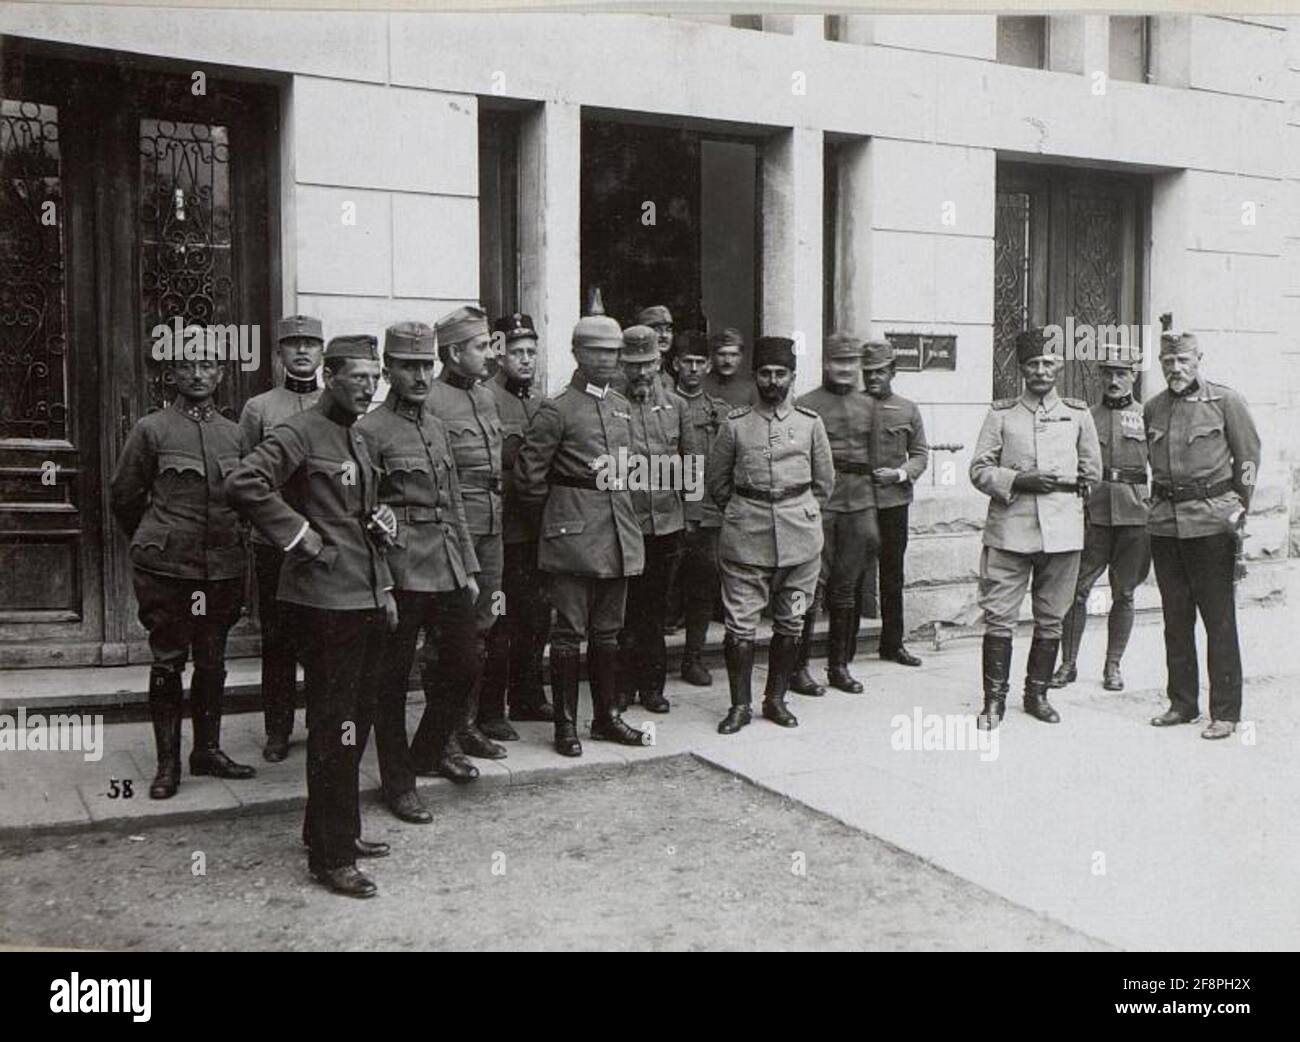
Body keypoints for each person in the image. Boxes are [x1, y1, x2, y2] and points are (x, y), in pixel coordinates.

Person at [227, 333, 398, 898]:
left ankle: (330, 830)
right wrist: (300, 538)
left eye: (375, 378)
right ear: (330, 377)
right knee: (334, 728)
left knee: (356, 720)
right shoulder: (299, 431)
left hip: (365, 597)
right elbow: (244, 483)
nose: (369, 387)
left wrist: (384, 536)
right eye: (358, 377)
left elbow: (362, 511)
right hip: (323, 604)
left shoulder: (360, 436)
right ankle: (332, 856)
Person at [110, 333, 256, 801]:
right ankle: (168, 763)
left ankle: (207, 751)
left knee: (212, 661)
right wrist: (156, 539)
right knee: (169, 662)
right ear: (171, 373)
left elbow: (247, 498)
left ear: (220, 374)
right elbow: (124, 496)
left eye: (208, 365)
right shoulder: (151, 429)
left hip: (223, 568)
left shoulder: (234, 434)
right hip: (169, 570)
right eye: (187, 365)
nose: (198, 374)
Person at [356, 322, 482, 822]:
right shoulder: (369, 430)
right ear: (388, 370)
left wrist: (469, 566)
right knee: (390, 681)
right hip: (401, 568)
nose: (421, 375)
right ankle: (398, 782)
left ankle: (428, 748)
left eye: (426, 365)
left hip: (448, 564)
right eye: (409, 366)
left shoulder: (435, 426)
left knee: (466, 662)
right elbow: (362, 512)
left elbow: (453, 503)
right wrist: (380, 578)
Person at [515, 312, 649, 756]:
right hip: (571, 537)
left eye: (614, 353)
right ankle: (565, 726)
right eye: (598, 351)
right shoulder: (557, 409)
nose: (608, 360)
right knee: (569, 635)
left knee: (609, 633)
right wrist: (554, 527)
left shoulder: (621, 407)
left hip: (617, 535)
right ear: (576, 352)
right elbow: (530, 479)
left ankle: (607, 718)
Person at [969, 328, 1102, 730]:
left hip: (1062, 532)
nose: (1041, 371)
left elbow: (1091, 472)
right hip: (1010, 528)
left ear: (1059, 366)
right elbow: (978, 469)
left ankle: (1037, 694)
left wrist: (1069, 492)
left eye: (1047, 363)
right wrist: (1017, 481)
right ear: (1022, 369)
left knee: (1051, 617)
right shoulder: (1001, 414)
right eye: (1033, 364)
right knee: (1000, 617)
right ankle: (994, 701)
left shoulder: (1079, 415)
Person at [707, 335, 834, 734]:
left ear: (792, 378)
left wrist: (800, 510)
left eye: (781, 374)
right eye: (765, 373)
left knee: (792, 621)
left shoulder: (810, 426)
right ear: (755, 376)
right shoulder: (735, 426)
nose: (773, 381)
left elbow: (824, 483)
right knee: (741, 624)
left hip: (800, 541)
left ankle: (775, 699)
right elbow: (717, 482)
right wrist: (745, 509)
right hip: (746, 536)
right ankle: (740, 705)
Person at [1145, 331, 1261, 740]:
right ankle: (1182, 702)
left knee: (1218, 620)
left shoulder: (1225, 402)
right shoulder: (1153, 408)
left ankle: (1226, 712)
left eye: (1183, 361)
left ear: (1199, 359)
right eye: (1168, 361)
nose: (1175, 369)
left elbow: (1248, 457)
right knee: (1175, 620)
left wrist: (1238, 506)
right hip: (1165, 525)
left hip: (1212, 524)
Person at [238, 314, 324, 762]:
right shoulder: (260, 408)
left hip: (325, 541)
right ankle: (277, 729)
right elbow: (248, 475)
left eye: (311, 343)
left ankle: (320, 722)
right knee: (277, 637)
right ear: (279, 354)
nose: (303, 351)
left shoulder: (337, 402)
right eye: (294, 344)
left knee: (324, 634)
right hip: (274, 542)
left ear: (323, 352)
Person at [425, 306, 509, 758]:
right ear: (454, 352)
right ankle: (441, 733)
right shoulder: (432, 400)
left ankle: (467, 724)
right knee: (447, 634)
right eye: (480, 347)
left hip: (491, 526)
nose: (490, 355)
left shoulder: (485, 396)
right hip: (453, 532)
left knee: (483, 625)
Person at [1050, 341, 1151, 692]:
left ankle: (1113, 666)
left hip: (1135, 517)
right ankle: (1068, 664)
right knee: (1076, 591)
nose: (1113, 380)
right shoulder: (1085, 416)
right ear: (1099, 377)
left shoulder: (1147, 415)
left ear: (1133, 377)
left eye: (1121, 373)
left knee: (1124, 593)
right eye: (1107, 373)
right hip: (1092, 516)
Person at [792, 333, 879, 696]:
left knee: (846, 589)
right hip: (820, 502)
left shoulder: (869, 405)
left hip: (859, 502)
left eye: (851, 362)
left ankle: (838, 666)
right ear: (826, 364)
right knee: (811, 587)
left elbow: (876, 456)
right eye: (838, 362)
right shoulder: (806, 404)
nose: (845, 369)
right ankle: (797, 668)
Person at [479, 312, 554, 730]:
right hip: (501, 531)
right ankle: (491, 710)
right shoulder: (485, 398)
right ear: (498, 354)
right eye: (517, 352)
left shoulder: (543, 402)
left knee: (536, 617)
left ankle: (528, 696)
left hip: (536, 532)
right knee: (498, 622)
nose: (525, 360)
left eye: (531, 352)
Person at [616, 325, 690, 713]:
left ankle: (653, 688)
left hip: (666, 525)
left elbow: (690, 464)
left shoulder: (676, 406)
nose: (641, 373)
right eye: (632, 365)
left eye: (647, 364)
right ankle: (624, 687)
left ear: (659, 361)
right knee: (627, 611)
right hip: (626, 525)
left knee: (655, 613)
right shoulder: (611, 405)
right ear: (621, 364)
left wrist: (689, 518)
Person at [862, 339, 929, 667]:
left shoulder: (907, 409)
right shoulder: (850, 406)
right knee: (851, 576)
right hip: (856, 504)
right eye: (868, 372)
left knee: (892, 575)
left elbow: (920, 454)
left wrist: (901, 475)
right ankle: (842, 650)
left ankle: (892, 643)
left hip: (893, 503)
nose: (873, 377)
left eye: (880, 371)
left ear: (893, 372)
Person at [672, 330, 729, 685]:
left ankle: (692, 657)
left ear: (708, 366)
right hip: (668, 512)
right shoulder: (662, 406)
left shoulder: (718, 411)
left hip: (708, 514)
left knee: (702, 587)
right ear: (675, 364)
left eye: (699, 363)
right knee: (659, 590)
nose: (693, 369)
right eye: (687, 362)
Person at [702, 327, 757, 408]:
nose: (727, 361)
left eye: (734, 355)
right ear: (712, 356)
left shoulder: (751, 389)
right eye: (722, 354)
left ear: (741, 357)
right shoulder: (700, 386)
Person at [635, 304, 678, 396]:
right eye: (657, 330)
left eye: (668, 330)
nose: (664, 335)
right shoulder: (634, 374)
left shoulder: (668, 379)